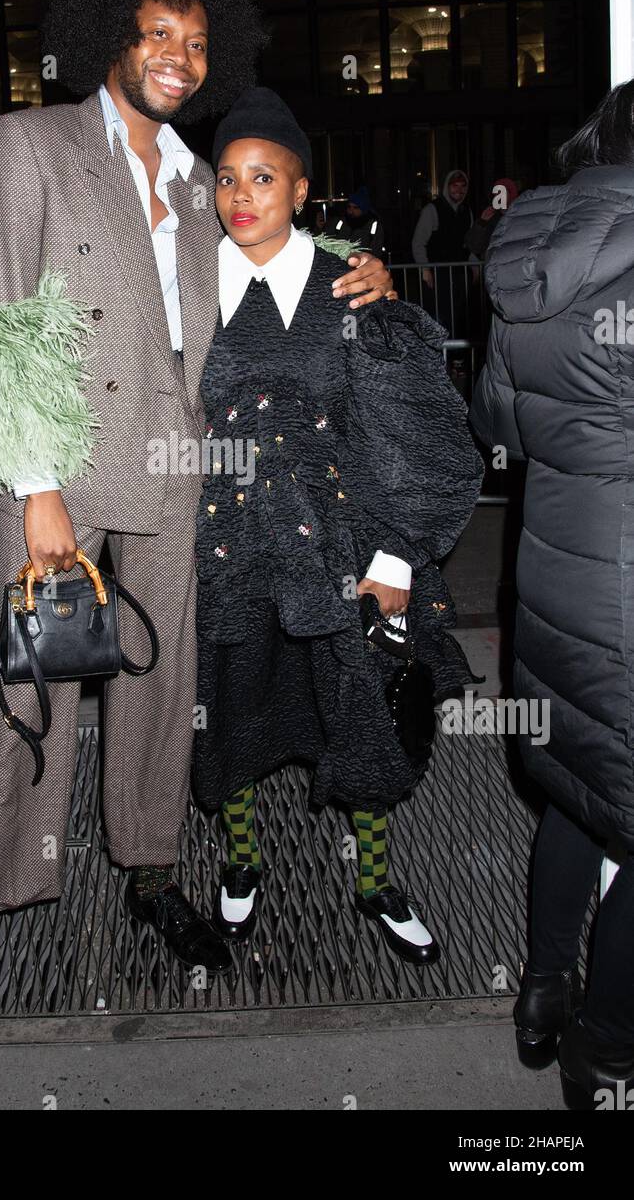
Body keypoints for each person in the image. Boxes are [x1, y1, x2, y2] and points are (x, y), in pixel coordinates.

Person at [0, 0, 394, 1083]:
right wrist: (33, 491)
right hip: (62, 474)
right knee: (23, 701)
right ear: (114, 35)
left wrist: (355, 263)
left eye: (195, 39)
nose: (177, 55)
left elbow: (266, 240)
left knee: (159, 697)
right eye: (157, 32)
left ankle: (150, 873)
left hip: (174, 476)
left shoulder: (198, 179)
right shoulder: (31, 142)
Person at [192, 88, 484, 963]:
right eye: (229, 178)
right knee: (235, 711)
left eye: (265, 177)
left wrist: (396, 556)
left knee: (363, 712)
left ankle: (375, 880)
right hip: (231, 545)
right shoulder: (186, 287)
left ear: (301, 188)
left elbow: (414, 432)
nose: (243, 195)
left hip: (345, 549)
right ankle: (240, 866)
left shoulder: (353, 288)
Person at [471, 80, 634, 1110]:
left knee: (580, 789)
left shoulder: (520, 253)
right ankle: (604, 1048)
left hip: (547, 568)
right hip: (624, 589)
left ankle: (539, 989)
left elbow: (502, 425)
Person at [412, 169, 471, 336]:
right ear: (447, 186)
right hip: (437, 276)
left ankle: (457, 359)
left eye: (462, 186)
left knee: (459, 317)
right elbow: (418, 242)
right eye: (454, 186)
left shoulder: (467, 211)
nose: (458, 190)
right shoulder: (432, 209)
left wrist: (474, 268)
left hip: (459, 276)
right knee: (437, 317)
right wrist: (425, 269)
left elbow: (468, 245)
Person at [324, 186, 385, 257]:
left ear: (363, 209)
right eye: (349, 207)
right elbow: (325, 241)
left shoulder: (373, 226)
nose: (351, 211)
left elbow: (376, 251)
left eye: (355, 208)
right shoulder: (339, 222)